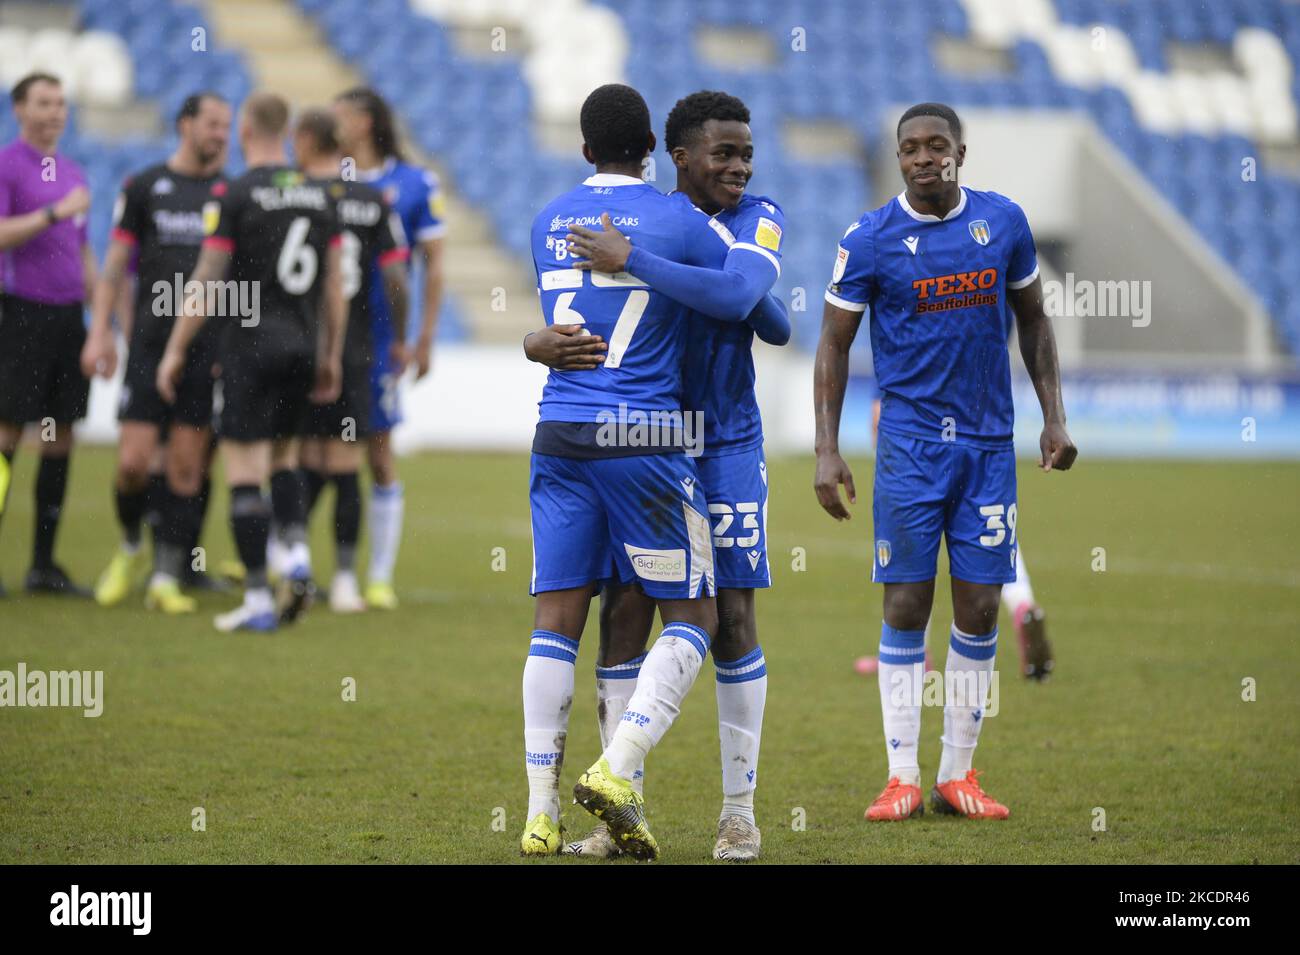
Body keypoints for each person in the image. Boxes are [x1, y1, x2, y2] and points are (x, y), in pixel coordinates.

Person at [525, 90, 789, 861]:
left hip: (723, 442)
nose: (739, 168)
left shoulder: (754, 216)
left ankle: (737, 811)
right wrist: (535, 342)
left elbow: (759, 308)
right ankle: (616, 806)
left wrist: (641, 261)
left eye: (745, 154)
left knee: (730, 616)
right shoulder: (664, 216)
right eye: (724, 155)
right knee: (626, 610)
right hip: (654, 439)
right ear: (675, 155)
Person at [813, 103, 1076, 822]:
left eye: (936, 145)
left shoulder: (1004, 223)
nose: (923, 157)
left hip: (988, 446)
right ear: (898, 157)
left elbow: (1034, 320)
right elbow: (833, 344)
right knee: (905, 602)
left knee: (981, 604)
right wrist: (827, 446)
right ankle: (901, 775)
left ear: (961, 149)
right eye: (909, 148)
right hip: (909, 445)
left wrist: (1053, 416)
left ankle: (958, 774)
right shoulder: (869, 239)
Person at [157, 92, 345, 632]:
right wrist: (329, 353)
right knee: (283, 459)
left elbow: (208, 277)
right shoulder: (316, 194)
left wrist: (175, 348)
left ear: (245, 128)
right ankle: (298, 557)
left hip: (250, 347)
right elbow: (334, 283)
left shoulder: (237, 193)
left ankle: (260, 598)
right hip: (304, 347)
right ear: (287, 131)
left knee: (244, 469)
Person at [83, 91, 232, 613]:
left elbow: (237, 279)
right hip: (148, 345)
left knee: (187, 469)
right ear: (184, 124)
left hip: (205, 348)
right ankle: (130, 548)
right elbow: (115, 266)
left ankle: (167, 578)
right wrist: (102, 331)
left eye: (227, 126)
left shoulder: (227, 193)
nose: (221, 134)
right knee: (133, 464)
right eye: (213, 124)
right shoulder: (144, 186)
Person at [330, 88, 445, 610]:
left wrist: (422, 337)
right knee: (312, 451)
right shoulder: (326, 180)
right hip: (325, 337)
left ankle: (377, 575)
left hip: (380, 342)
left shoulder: (415, 184)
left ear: (369, 122)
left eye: (344, 116)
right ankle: (298, 562)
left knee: (377, 452)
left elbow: (435, 263)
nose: (337, 125)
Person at [294, 108, 410, 613]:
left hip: (295, 345)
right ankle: (345, 581)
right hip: (357, 349)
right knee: (345, 464)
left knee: (294, 459)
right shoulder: (371, 200)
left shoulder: (293, 194)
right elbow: (397, 279)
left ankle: (290, 563)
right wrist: (400, 338)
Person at [853, 389, 1054, 680]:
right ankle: (1022, 602)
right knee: (989, 528)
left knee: (918, 543)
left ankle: (918, 651)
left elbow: (887, 386)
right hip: (981, 425)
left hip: (922, 435)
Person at [0, 72, 95, 597]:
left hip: (67, 320)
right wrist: (53, 212)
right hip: (20, 314)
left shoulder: (74, 171)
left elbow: (83, 252)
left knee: (60, 437)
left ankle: (43, 565)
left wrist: (100, 320)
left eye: (60, 102)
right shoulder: (8, 165)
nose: (55, 112)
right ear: (19, 109)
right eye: (43, 102)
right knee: (7, 435)